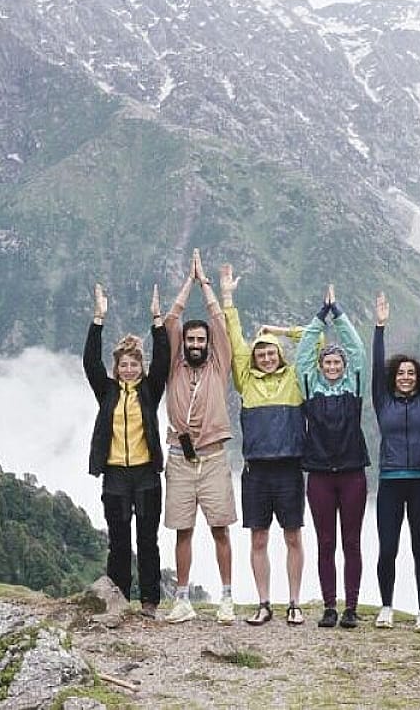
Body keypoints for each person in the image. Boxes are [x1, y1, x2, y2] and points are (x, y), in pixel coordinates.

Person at [219, 263, 307, 627]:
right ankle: (264, 602)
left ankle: (295, 603)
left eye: (271, 352)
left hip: (289, 468)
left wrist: (276, 330)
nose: (266, 357)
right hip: (256, 470)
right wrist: (228, 299)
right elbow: (234, 339)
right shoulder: (245, 381)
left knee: (292, 537)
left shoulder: (296, 378)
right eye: (261, 353)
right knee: (258, 539)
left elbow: (313, 338)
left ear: (279, 355)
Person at [83, 283, 168, 618]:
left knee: (147, 540)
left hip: (146, 475)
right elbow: (90, 361)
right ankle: (117, 600)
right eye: (124, 365)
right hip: (115, 475)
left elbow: (164, 360)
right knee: (118, 542)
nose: (129, 369)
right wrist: (98, 318)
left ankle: (149, 601)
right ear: (116, 368)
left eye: (134, 364)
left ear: (140, 366)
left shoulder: (150, 390)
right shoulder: (106, 391)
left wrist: (157, 321)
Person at [163, 249, 238, 625]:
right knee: (183, 530)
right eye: (190, 340)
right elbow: (171, 320)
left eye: (199, 340)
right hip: (178, 457)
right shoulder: (174, 366)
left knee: (220, 528)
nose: (194, 344)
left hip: (212, 458)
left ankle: (226, 597)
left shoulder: (218, 365)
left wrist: (206, 285)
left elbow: (219, 322)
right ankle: (182, 598)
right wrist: (187, 283)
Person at [296, 284, 370, 629]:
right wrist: (320, 317)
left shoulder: (354, 384)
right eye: (327, 361)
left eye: (337, 361)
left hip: (353, 472)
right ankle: (329, 606)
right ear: (321, 364)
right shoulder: (310, 384)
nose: (333, 365)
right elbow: (302, 353)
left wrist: (337, 313)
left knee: (351, 541)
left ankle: (351, 608)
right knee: (325, 542)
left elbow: (356, 347)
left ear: (344, 365)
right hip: (320, 475)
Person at [370, 291, 420, 633]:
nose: (407, 376)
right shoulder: (383, 402)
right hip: (390, 483)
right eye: (401, 373)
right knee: (388, 549)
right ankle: (386, 606)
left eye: (412, 373)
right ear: (393, 377)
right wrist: (379, 327)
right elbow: (375, 365)